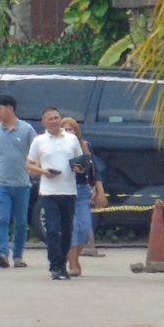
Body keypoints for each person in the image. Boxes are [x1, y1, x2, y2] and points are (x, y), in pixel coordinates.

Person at [27, 106, 83, 281]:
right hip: (49, 192)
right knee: (52, 230)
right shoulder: (39, 141)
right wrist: (43, 171)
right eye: (50, 118)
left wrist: (78, 167)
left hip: (69, 191)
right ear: (44, 122)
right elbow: (29, 164)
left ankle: (62, 263)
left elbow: (80, 161)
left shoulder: (72, 139)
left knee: (67, 231)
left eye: (56, 117)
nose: (54, 121)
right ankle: (55, 266)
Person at [0, 95, 36, 269]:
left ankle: (18, 256)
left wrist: (37, 169)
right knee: (2, 219)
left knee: (21, 222)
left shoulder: (27, 129)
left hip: (22, 184)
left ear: (10, 108)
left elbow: (36, 152)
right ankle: (2, 253)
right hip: (1, 184)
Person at [60, 116, 106, 277]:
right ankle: (72, 262)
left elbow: (94, 171)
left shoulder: (85, 145)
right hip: (65, 189)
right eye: (65, 129)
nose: (68, 132)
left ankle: (74, 256)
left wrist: (100, 191)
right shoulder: (59, 147)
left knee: (85, 227)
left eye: (71, 129)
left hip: (82, 190)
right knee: (72, 227)